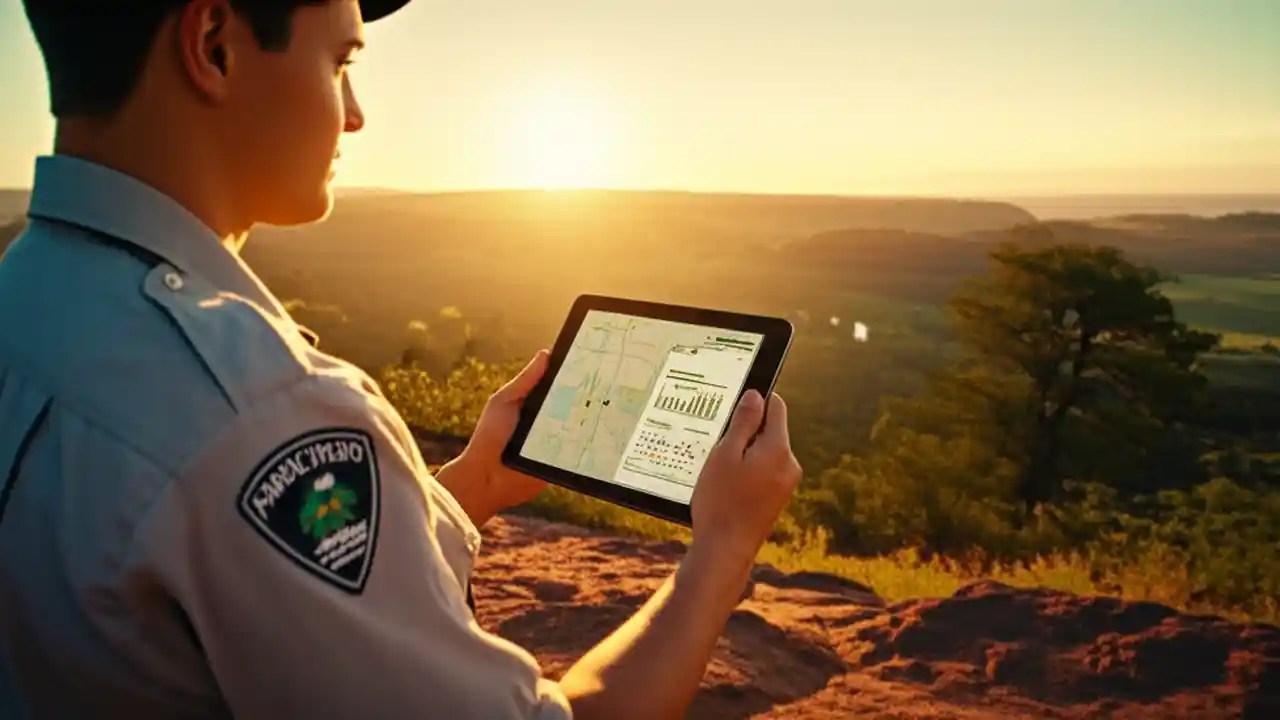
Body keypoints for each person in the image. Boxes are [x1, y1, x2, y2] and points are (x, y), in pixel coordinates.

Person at [0, 1, 802, 717]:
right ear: (214, 45)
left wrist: (477, 482)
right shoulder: (261, 412)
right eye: (340, 63)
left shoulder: (29, 294)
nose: (354, 115)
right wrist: (722, 547)